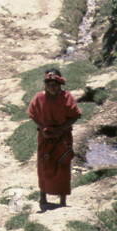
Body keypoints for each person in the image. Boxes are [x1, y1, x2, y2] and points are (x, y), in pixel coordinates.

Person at [28, 68, 81, 210]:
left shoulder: (66, 97)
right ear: (45, 85)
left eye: (55, 85)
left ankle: (62, 201)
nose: (52, 87)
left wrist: (62, 128)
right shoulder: (39, 98)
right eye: (49, 84)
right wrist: (42, 129)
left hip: (62, 138)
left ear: (60, 85)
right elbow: (32, 114)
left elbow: (75, 115)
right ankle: (43, 197)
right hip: (45, 138)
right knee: (44, 166)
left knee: (63, 167)